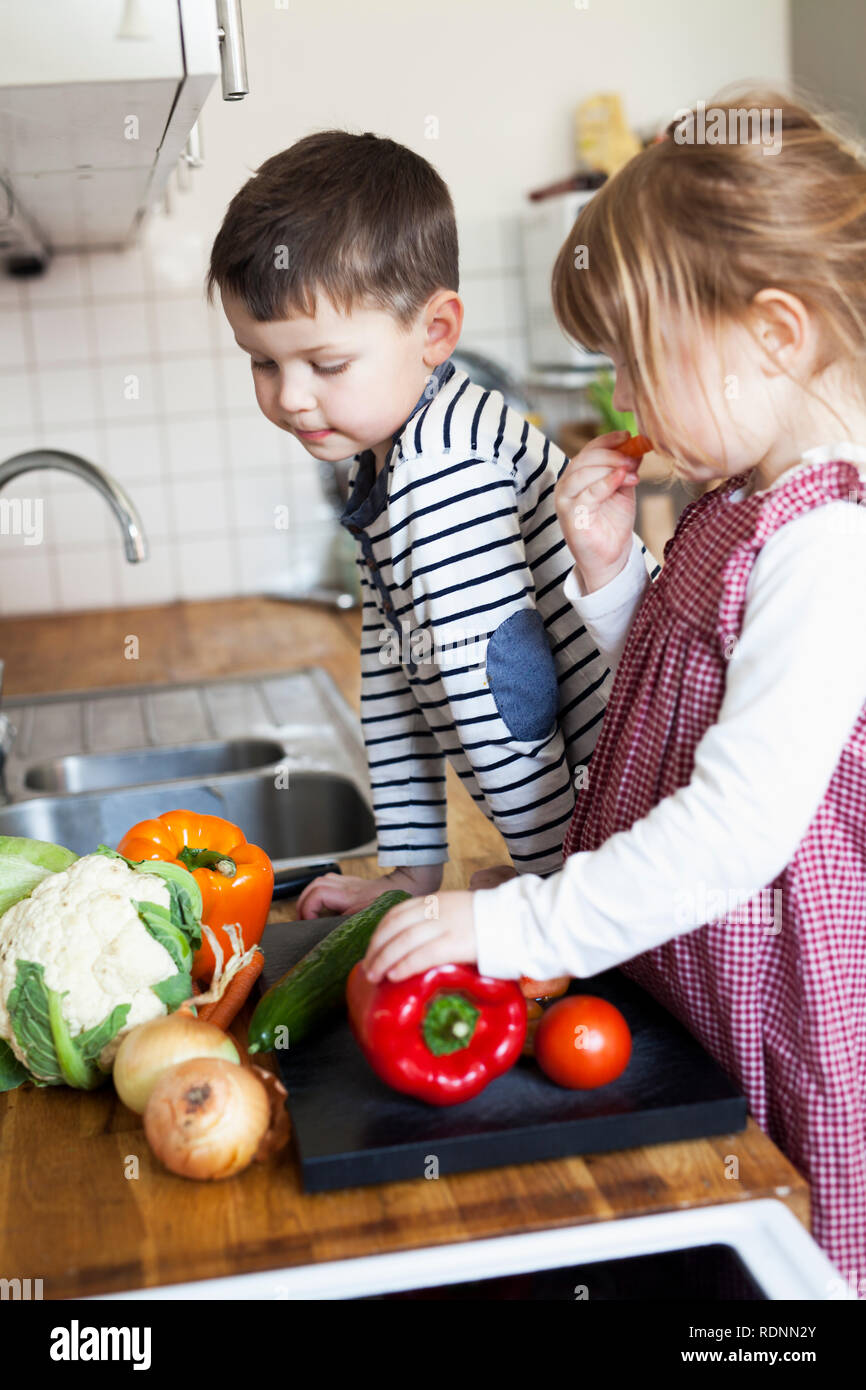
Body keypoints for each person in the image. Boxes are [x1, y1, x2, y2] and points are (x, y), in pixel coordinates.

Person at [363, 89, 866, 1293]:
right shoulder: (742, 497)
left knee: (784, 1266)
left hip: (781, 1004)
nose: (625, 403)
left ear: (776, 332)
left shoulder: (828, 547)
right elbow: (693, 689)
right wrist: (607, 578)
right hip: (688, 971)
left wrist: (508, 924)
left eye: (640, 362)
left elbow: (736, 828)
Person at [206, 130, 658, 919]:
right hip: (588, 834)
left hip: (629, 826)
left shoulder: (443, 472)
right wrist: (409, 875)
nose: (291, 398)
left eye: (326, 363)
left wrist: (547, 898)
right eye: (263, 362)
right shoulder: (387, 456)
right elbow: (393, 672)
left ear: (436, 333)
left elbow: (500, 693)